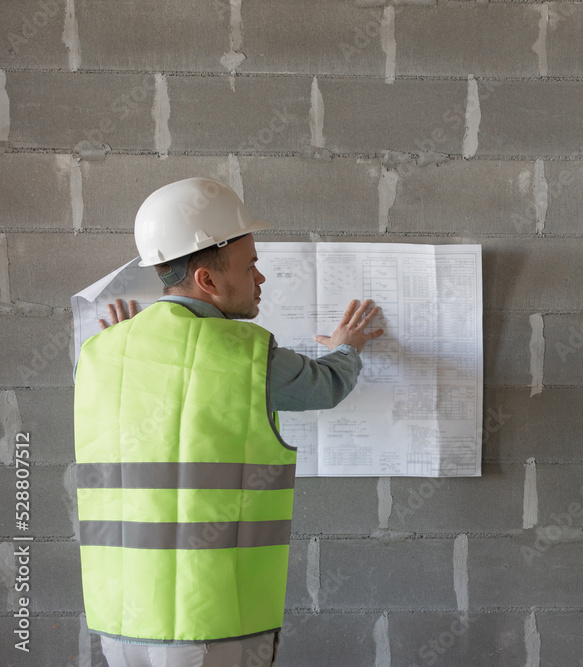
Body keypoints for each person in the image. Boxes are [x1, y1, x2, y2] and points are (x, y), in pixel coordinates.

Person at [74, 177, 384, 667]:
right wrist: (349, 347)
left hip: (120, 622)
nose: (261, 279)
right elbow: (325, 386)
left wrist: (126, 338)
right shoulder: (248, 354)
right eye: (251, 266)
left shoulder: (101, 351)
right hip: (210, 625)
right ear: (208, 281)